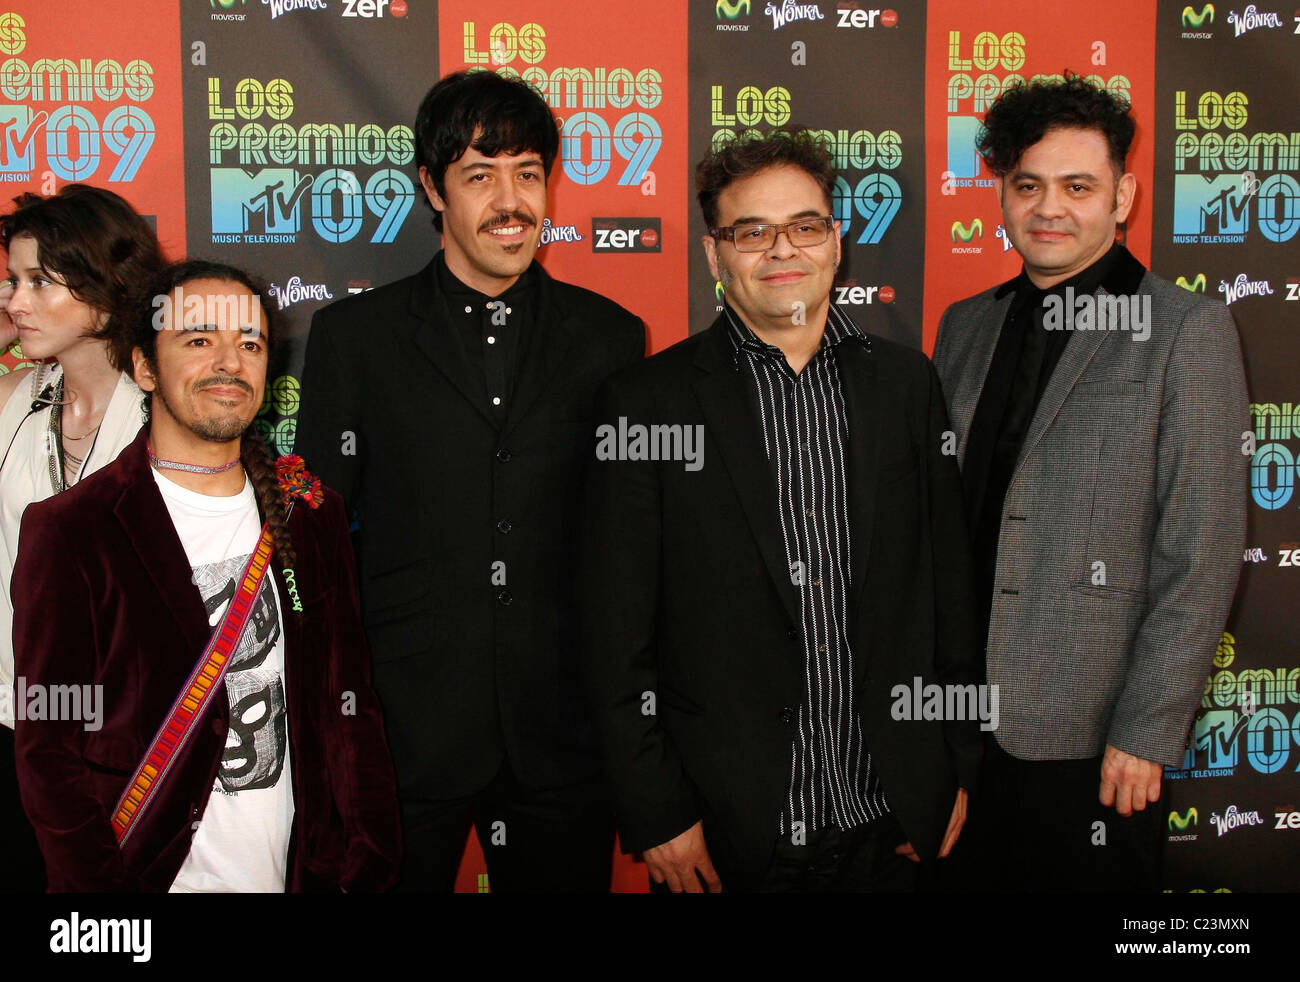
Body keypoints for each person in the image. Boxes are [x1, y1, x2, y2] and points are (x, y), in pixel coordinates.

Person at [579, 131, 982, 893]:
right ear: (713, 254)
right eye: (750, 232)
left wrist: (957, 759)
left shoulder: (905, 386)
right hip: (729, 834)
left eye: (803, 225)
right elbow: (613, 631)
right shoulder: (646, 402)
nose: (780, 250)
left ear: (836, 241)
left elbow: (950, 590)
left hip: (891, 819)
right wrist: (657, 809)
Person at [295, 70, 644, 892]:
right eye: (481, 175)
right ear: (432, 187)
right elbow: (315, 539)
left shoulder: (611, 337)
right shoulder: (355, 337)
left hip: (561, 734)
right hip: (403, 730)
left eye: (528, 173)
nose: (510, 201)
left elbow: (629, 540)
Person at [931, 74, 1248, 892]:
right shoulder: (966, 324)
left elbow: (1202, 549)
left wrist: (1146, 728)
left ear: (1124, 195)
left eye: (1079, 186)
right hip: (957, 727)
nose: (1049, 208)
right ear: (1001, 193)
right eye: (1027, 185)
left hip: (1091, 733)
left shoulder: (1187, 329)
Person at [12, 261, 401, 892]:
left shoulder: (310, 516)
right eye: (199, 340)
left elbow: (349, 711)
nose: (230, 360)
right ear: (143, 366)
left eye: (250, 343)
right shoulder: (73, 530)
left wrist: (367, 865)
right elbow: (48, 750)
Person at [0, 184, 164, 892]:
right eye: (11, 280)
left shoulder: (166, 412)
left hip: (129, 740)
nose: (16, 300)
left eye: (39, 281)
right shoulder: (16, 399)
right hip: (17, 724)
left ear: (105, 286)